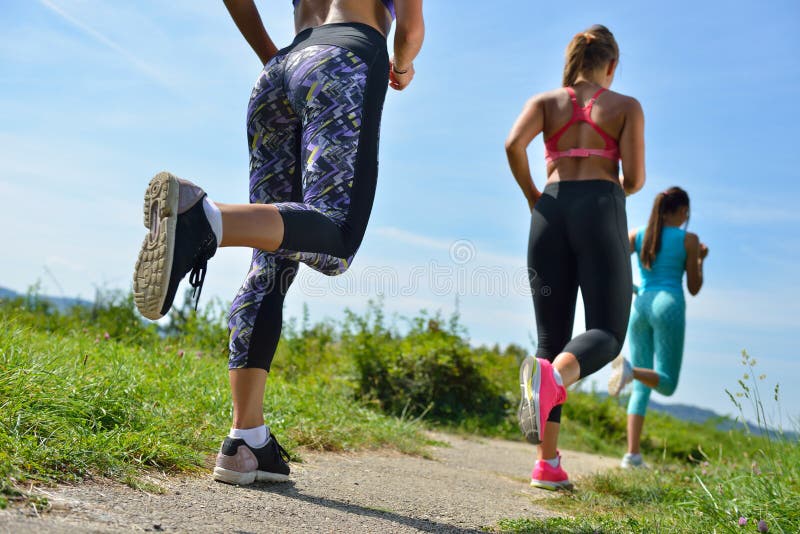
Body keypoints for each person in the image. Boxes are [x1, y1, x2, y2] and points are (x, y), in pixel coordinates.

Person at [132, 0, 424, 485]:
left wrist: (274, 53)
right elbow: (410, 28)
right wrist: (403, 63)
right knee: (336, 235)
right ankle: (203, 218)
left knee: (270, 262)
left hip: (278, 72)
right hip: (345, 59)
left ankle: (246, 440)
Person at [505, 24, 645, 490]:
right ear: (611, 65)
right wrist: (607, 200)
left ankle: (548, 464)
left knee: (551, 340)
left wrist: (534, 196)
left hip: (549, 208)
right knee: (607, 331)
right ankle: (553, 383)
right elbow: (636, 178)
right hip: (600, 206)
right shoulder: (624, 106)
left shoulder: (545, 103)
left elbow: (513, 145)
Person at [607, 187, 708, 468]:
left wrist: (632, 287)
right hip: (669, 306)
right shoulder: (689, 240)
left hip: (641, 305)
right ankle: (630, 371)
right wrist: (700, 259)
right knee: (666, 383)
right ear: (682, 211)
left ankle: (632, 456)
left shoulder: (639, 235)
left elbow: (611, 261)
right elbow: (694, 287)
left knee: (641, 387)